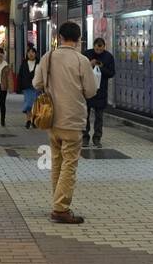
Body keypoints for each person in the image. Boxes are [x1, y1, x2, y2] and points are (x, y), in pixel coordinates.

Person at [33, 21, 98, 224]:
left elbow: (36, 83)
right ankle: (60, 208)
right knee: (69, 164)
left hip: (52, 119)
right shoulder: (82, 60)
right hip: (73, 120)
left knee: (57, 163)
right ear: (78, 39)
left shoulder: (48, 57)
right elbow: (90, 91)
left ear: (59, 37)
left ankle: (57, 203)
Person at [83, 37, 116, 147]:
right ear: (94, 46)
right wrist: (90, 64)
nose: (98, 51)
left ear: (104, 47)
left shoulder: (108, 57)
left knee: (99, 117)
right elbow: (80, 70)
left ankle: (97, 138)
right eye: (97, 49)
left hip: (101, 91)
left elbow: (112, 73)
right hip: (87, 90)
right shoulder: (86, 54)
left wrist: (101, 68)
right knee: (85, 116)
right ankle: (85, 137)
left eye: (100, 49)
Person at [17, 45, 40, 129]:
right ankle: (28, 120)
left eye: (33, 52)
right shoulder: (24, 64)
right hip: (26, 87)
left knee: (35, 104)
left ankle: (34, 120)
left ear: (35, 54)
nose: (31, 54)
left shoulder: (39, 64)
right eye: (29, 52)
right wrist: (19, 87)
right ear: (27, 54)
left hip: (36, 87)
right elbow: (20, 75)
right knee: (28, 104)